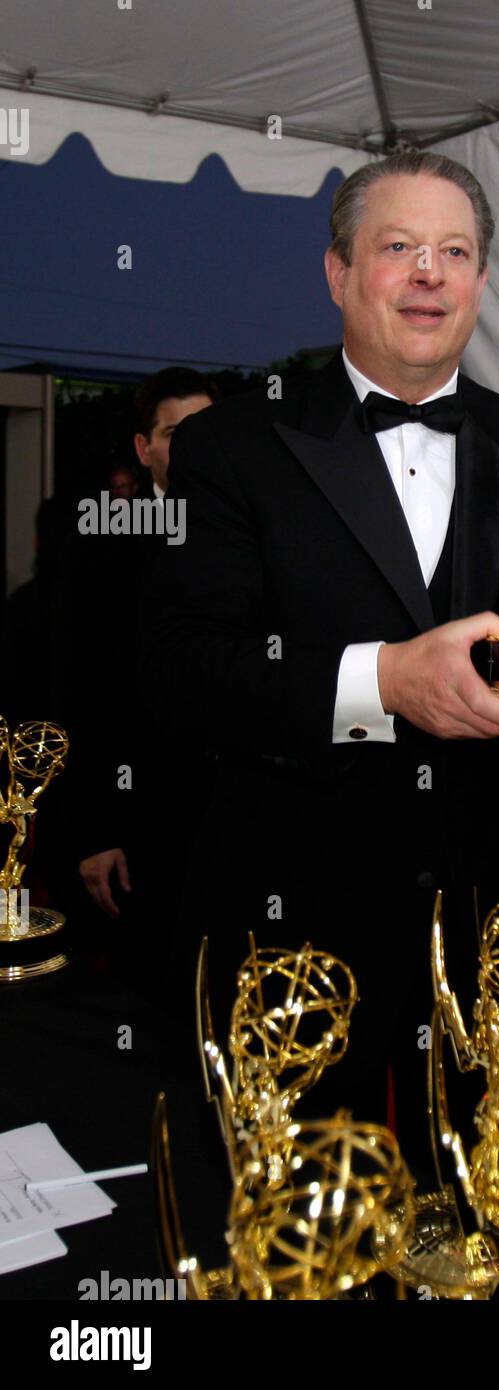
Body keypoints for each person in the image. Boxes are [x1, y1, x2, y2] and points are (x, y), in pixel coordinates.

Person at [140, 151, 499, 1157]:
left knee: (481, 1216)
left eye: (454, 251)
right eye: (398, 248)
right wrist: (383, 682)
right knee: (305, 1232)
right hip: (295, 928)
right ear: (338, 274)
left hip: (494, 930)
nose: (429, 272)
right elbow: (185, 674)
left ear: (483, 280)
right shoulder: (233, 447)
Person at [53, 369, 218, 1000]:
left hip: (238, 824)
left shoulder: (260, 533)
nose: (198, 446)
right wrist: (93, 830)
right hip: (142, 822)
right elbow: (77, 689)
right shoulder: (100, 547)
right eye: (178, 434)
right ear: (144, 449)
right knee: (148, 1011)